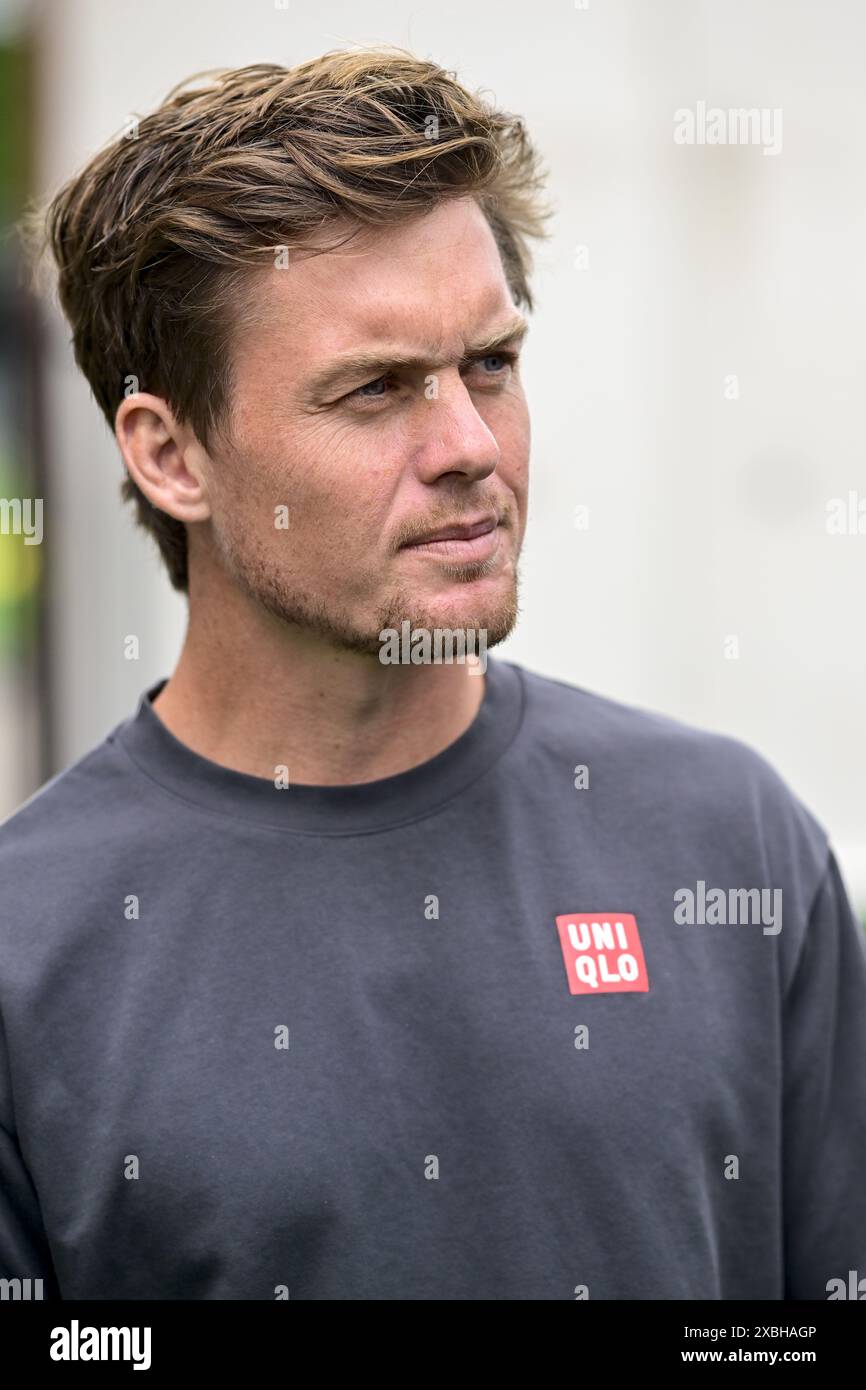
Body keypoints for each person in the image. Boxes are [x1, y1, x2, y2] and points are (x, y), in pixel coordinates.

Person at [1, 48, 864, 1302]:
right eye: (375, 390)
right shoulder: (30, 955)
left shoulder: (728, 848)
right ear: (171, 454)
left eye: (491, 366)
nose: (469, 446)